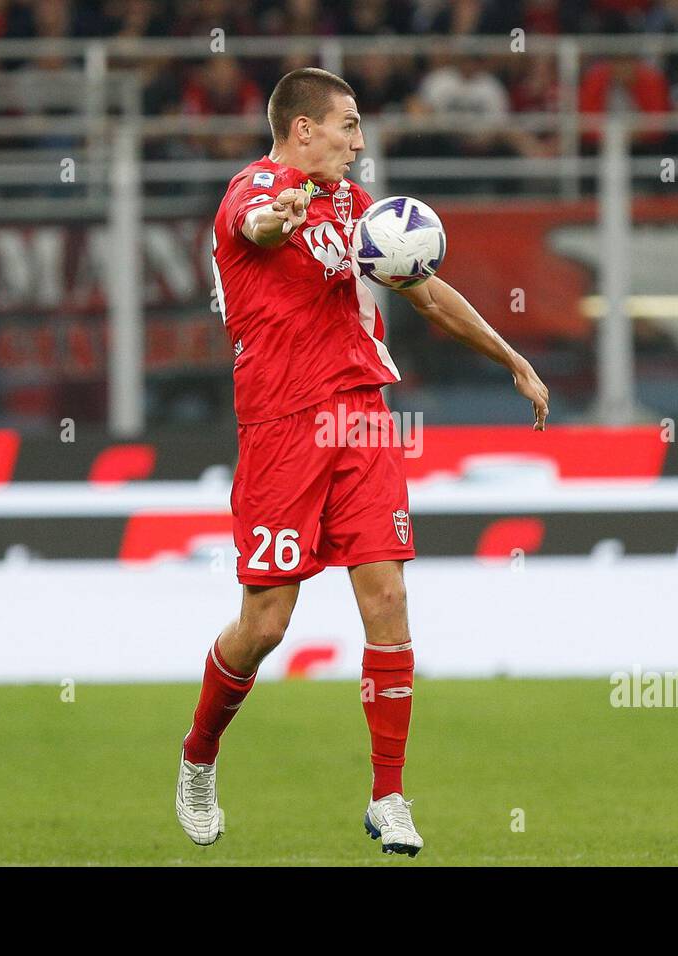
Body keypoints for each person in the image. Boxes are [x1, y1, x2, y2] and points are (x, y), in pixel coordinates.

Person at [176, 67, 549, 857]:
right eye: (347, 125)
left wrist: (509, 356)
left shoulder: (355, 208)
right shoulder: (251, 190)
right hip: (282, 426)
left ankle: (389, 795)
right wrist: (282, 213)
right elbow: (261, 230)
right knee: (266, 623)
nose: (359, 139)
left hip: (362, 417)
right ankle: (200, 754)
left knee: (386, 598)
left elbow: (424, 290)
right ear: (302, 128)